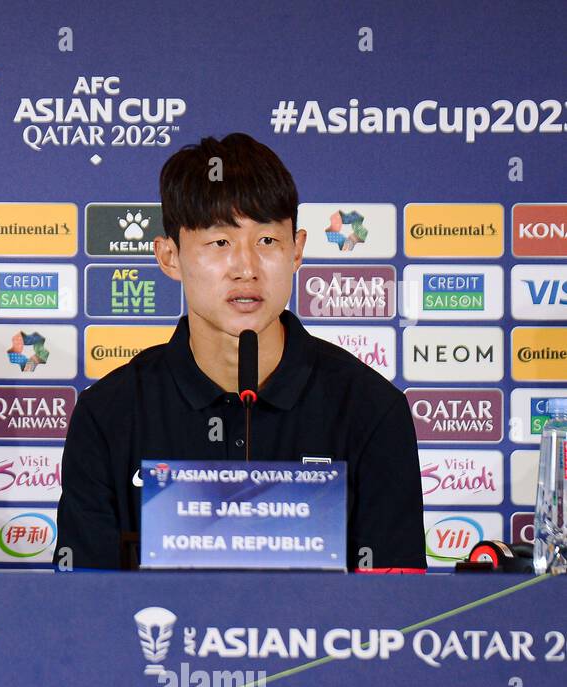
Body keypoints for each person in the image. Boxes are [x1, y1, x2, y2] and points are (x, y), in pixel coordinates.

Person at [54, 133, 425, 571]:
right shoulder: (109, 414)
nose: (246, 268)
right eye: (220, 243)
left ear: (298, 250)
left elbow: (395, 614)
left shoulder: (370, 409)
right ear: (169, 256)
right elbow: (82, 609)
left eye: (267, 241)